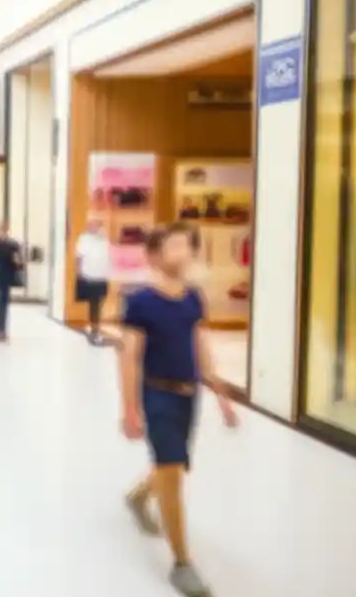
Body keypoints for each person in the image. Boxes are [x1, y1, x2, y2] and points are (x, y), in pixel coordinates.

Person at [115, 223, 239, 597]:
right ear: (154, 256)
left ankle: (138, 495)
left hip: (189, 395)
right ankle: (182, 563)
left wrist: (219, 391)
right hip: (158, 394)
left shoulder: (193, 298)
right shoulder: (140, 301)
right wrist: (130, 408)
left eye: (187, 245)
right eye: (174, 246)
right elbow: (129, 356)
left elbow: (199, 344)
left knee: (175, 464)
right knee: (172, 472)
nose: (183, 252)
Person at [75, 220, 113, 345]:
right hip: (89, 275)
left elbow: (108, 257)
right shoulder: (84, 239)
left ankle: (95, 326)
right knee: (93, 303)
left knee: (98, 302)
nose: (92, 228)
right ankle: (94, 327)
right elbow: (78, 257)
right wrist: (79, 272)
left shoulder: (105, 240)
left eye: (96, 226)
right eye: (90, 226)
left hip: (101, 276)